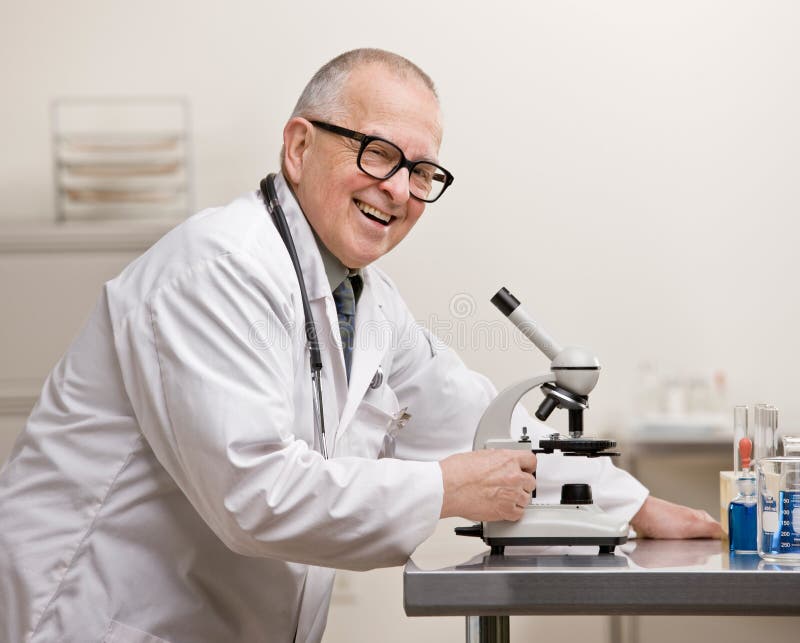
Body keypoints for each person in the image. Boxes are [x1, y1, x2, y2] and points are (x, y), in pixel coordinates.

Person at [0, 48, 721, 643]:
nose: (400, 188)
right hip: (90, 621)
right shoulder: (216, 269)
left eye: (422, 171)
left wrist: (627, 502)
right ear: (299, 145)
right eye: (378, 153)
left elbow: (477, 423)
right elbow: (256, 495)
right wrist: (448, 487)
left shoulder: (366, 302)